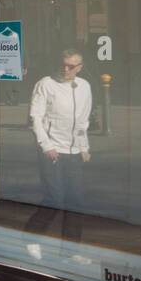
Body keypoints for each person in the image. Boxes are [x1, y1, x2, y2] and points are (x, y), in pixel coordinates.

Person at [27, 48, 92, 240]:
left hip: (73, 152)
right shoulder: (46, 84)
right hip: (52, 150)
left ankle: (71, 252)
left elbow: (82, 120)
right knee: (54, 200)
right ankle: (31, 237)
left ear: (79, 67)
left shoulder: (84, 86)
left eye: (70, 66)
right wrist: (46, 146)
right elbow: (35, 118)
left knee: (76, 203)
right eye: (62, 64)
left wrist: (83, 146)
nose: (65, 69)